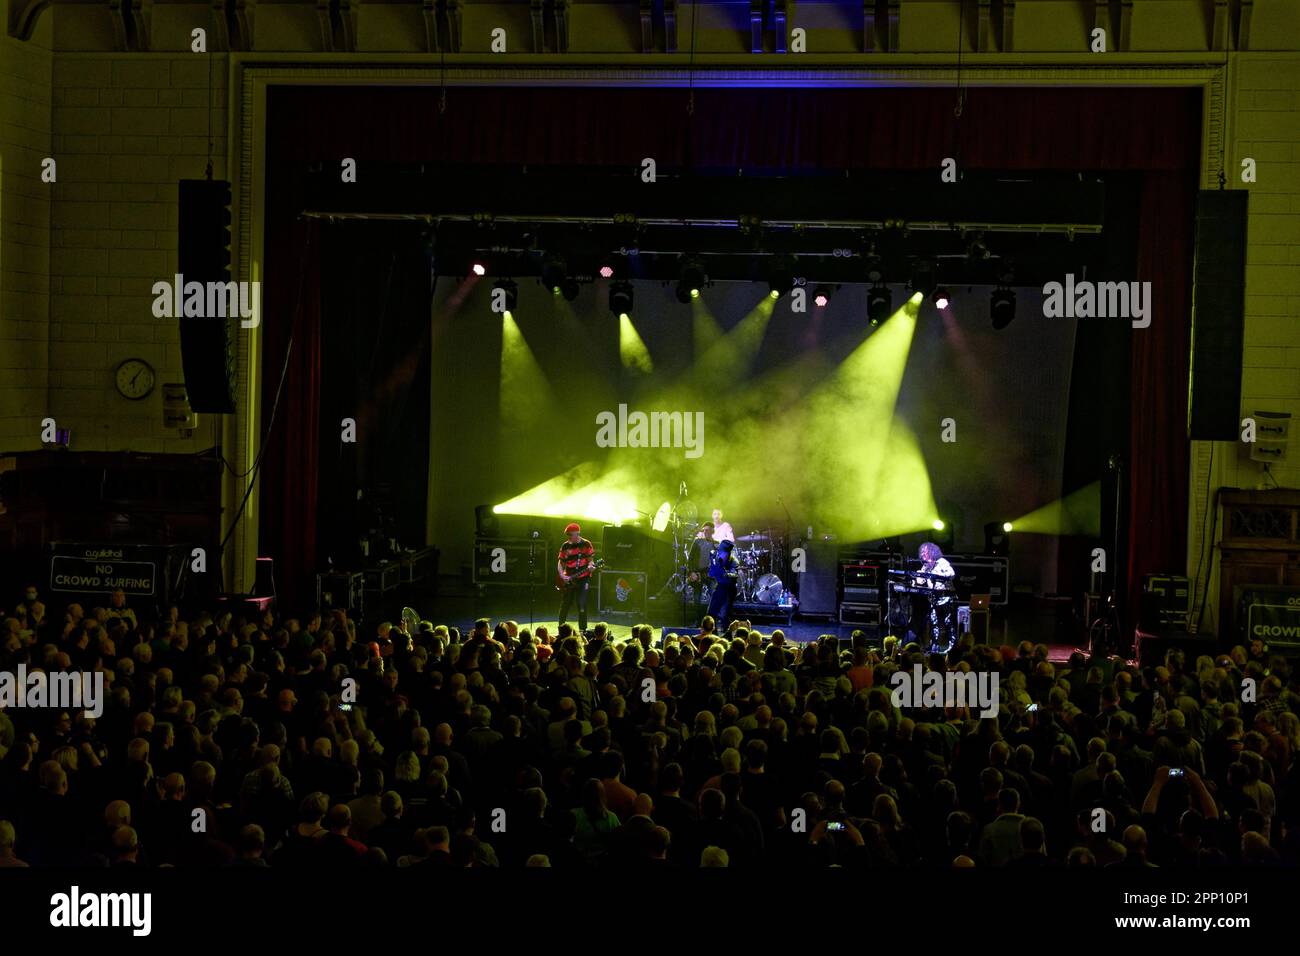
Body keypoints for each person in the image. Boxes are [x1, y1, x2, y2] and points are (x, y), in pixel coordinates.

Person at [913, 542, 956, 654]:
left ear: (931, 552)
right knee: (934, 622)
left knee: (947, 621)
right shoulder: (926, 565)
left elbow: (951, 574)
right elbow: (920, 581)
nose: (922, 554)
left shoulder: (942, 562)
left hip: (946, 596)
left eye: (924, 552)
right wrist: (918, 575)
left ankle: (952, 646)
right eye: (921, 552)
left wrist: (936, 575)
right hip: (933, 598)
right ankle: (935, 644)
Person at [556, 523, 596, 636]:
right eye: (567, 535)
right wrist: (561, 574)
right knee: (565, 604)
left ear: (577, 533)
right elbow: (560, 562)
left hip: (583, 578)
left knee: (581, 603)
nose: (569, 537)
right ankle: (561, 629)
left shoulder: (586, 544)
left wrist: (591, 567)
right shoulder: (565, 546)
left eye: (570, 534)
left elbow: (591, 561)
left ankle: (583, 631)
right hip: (569, 578)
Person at [706, 540, 740, 630]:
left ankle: (726, 634)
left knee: (724, 614)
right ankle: (712, 633)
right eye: (719, 551)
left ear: (727, 553)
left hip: (729, 589)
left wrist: (725, 573)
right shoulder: (717, 559)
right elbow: (711, 574)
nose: (719, 553)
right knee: (711, 612)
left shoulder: (734, 561)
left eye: (721, 551)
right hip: (720, 587)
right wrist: (713, 563)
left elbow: (734, 574)